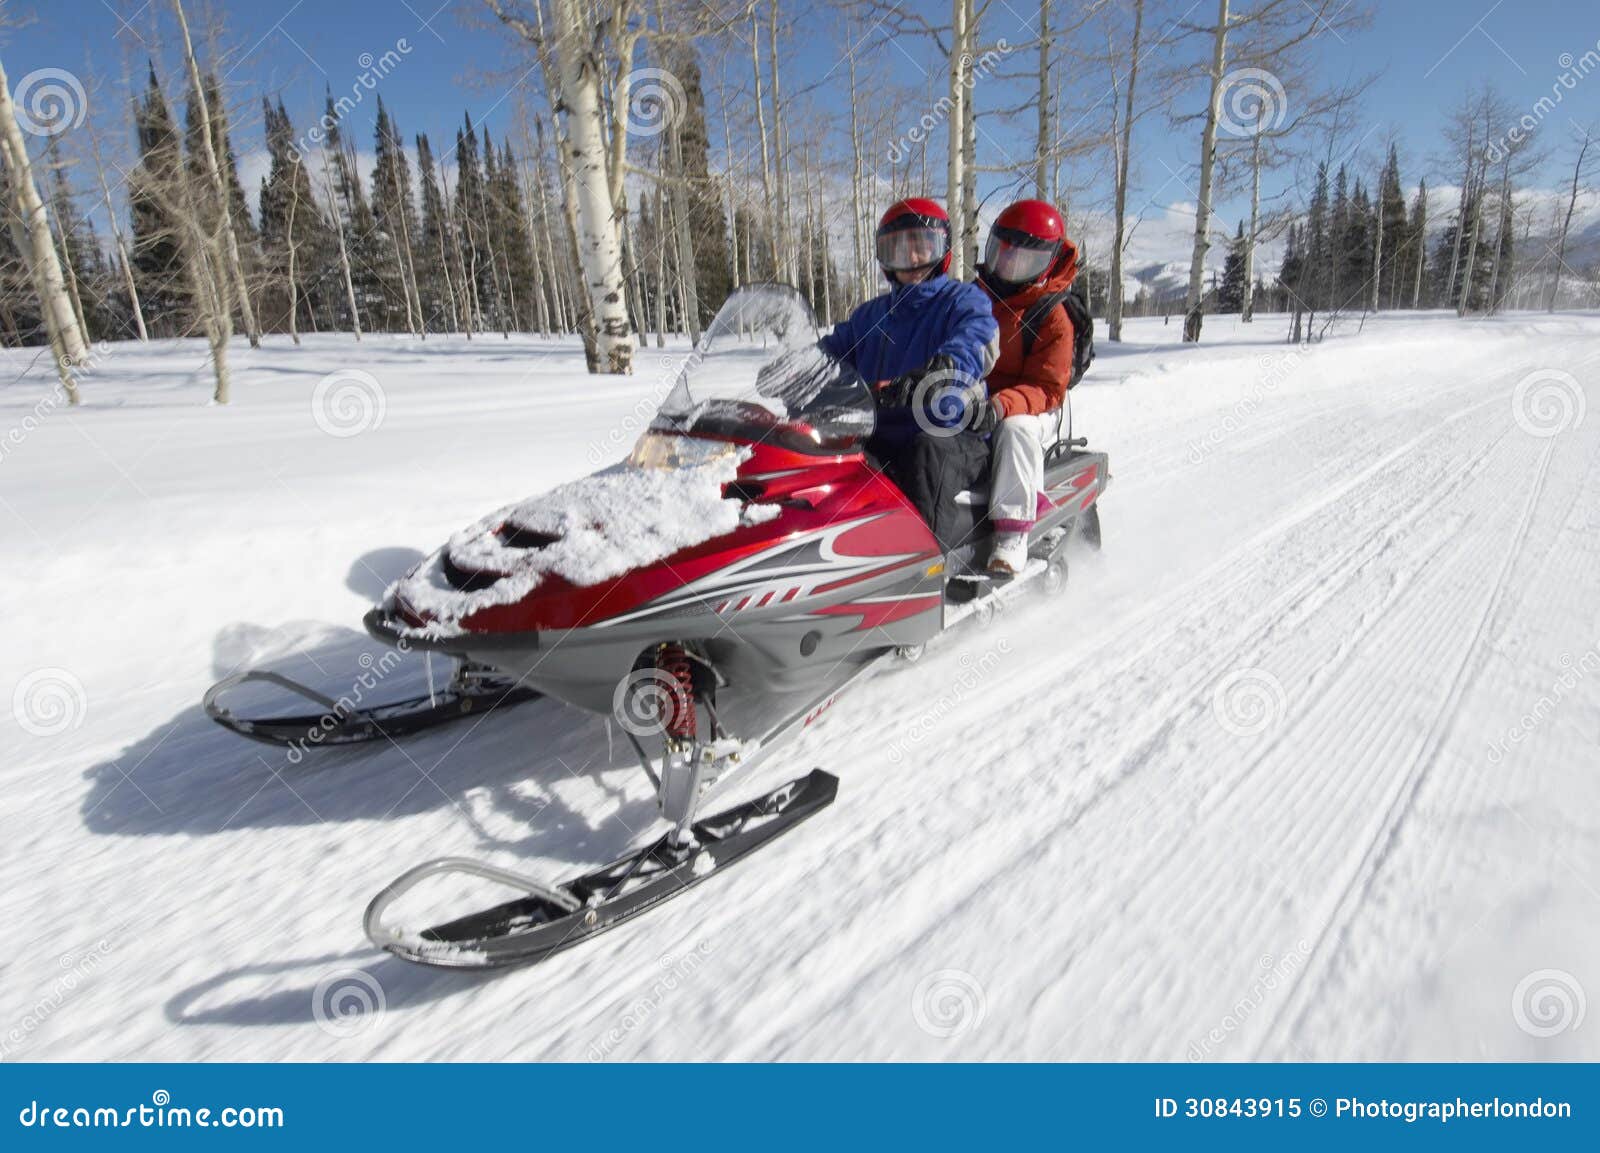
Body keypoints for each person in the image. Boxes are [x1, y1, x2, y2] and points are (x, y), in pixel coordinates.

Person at [820, 198, 998, 550]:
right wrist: (798, 366)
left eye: (923, 246)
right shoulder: (870, 316)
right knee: (828, 456)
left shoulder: (963, 300)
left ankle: (923, 568)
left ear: (942, 249)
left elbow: (977, 340)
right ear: (885, 258)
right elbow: (833, 349)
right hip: (878, 427)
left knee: (927, 452)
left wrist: (943, 369)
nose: (913, 259)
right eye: (899, 250)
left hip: (951, 432)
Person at [973, 199, 1080, 576]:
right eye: (1003, 252)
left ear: (1047, 261)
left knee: (1015, 430)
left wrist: (1003, 404)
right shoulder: (975, 297)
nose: (1010, 264)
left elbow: (1047, 387)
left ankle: (1012, 533)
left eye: (1024, 258)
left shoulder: (1052, 316)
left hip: (1035, 407)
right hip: (976, 399)